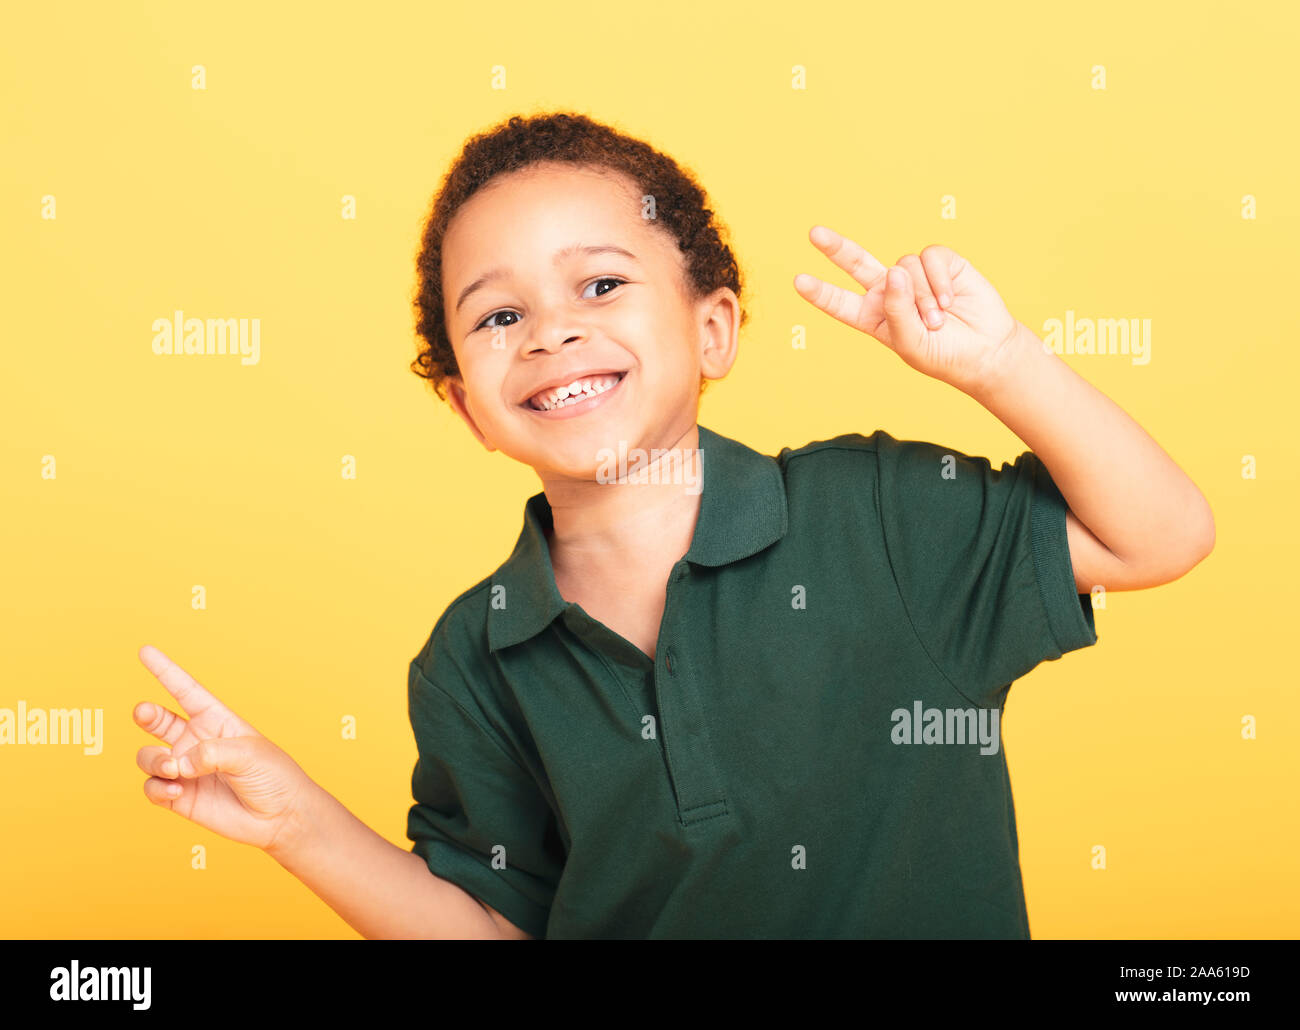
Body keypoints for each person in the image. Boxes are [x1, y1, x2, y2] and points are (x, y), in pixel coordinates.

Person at [135, 111, 1215, 939]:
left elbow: (1158, 536)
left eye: (600, 283)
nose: (552, 331)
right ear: (466, 404)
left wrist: (1001, 365)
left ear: (712, 329)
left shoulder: (876, 512)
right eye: (499, 316)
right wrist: (300, 825)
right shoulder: (476, 654)